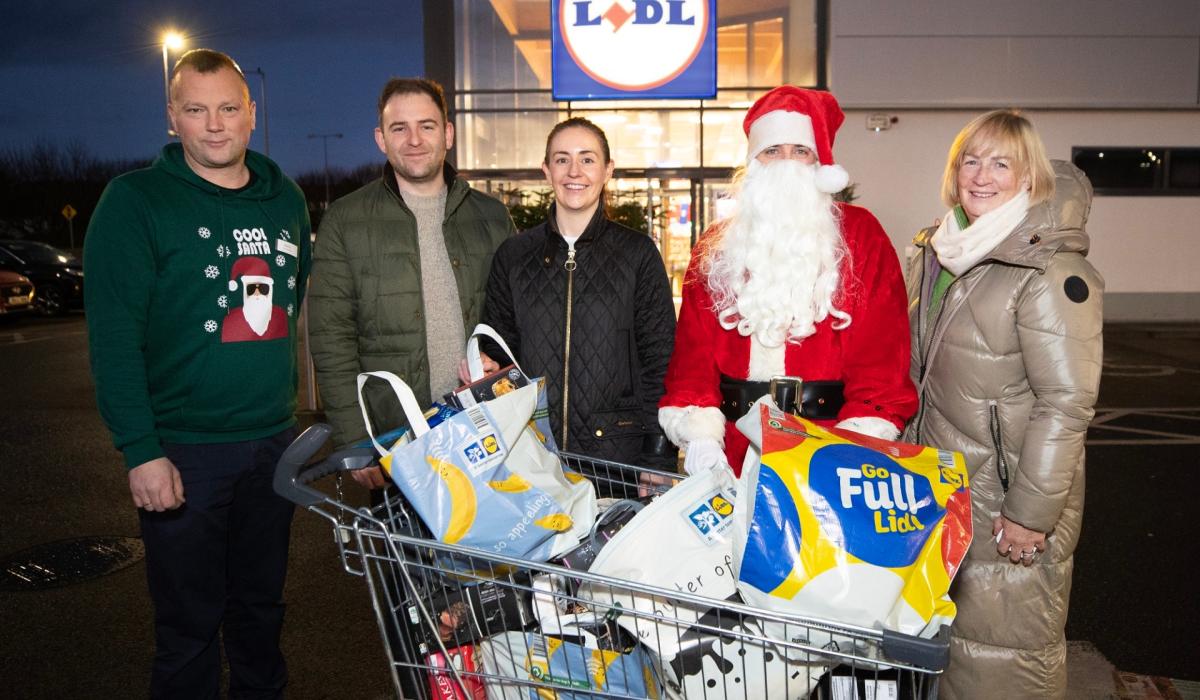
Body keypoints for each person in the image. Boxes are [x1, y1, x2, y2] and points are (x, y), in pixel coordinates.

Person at [84, 49, 311, 698]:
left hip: (272, 445)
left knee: (262, 615)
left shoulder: (286, 199)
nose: (215, 125)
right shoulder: (136, 203)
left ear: (251, 114)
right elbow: (114, 341)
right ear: (171, 119)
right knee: (188, 628)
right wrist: (141, 451)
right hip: (184, 453)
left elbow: (291, 303)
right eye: (195, 109)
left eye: (228, 108)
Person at [903, 110, 1103, 699]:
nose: (981, 175)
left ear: (1030, 177)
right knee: (949, 652)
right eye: (971, 159)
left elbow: (1066, 404)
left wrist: (1029, 514)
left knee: (1006, 661)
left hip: (1006, 504)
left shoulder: (1049, 269)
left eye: (1001, 163)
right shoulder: (940, 251)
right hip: (941, 488)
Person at [657, 86, 917, 475]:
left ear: (819, 163)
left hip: (829, 443)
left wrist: (853, 447)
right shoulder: (717, 244)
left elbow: (883, 359)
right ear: (754, 162)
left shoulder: (861, 236)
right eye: (772, 150)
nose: (786, 163)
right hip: (732, 450)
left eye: (800, 151)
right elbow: (692, 358)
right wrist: (701, 436)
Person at [307, 77, 515, 487]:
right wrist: (353, 438)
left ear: (448, 134)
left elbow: (516, 320)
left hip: (485, 428)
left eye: (427, 125)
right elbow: (332, 339)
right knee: (403, 553)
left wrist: (502, 370)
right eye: (399, 128)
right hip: (395, 441)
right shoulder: (346, 221)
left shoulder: (492, 217)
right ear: (381, 139)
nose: (414, 139)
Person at [480, 117, 677, 469]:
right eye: (561, 159)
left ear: (607, 171)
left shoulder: (637, 254)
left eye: (587, 159)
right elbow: (497, 352)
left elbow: (661, 361)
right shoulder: (514, 256)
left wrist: (657, 455)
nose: (574, 171)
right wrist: (486, 367)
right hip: (532, 455)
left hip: (619, 459)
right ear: (546, 170)